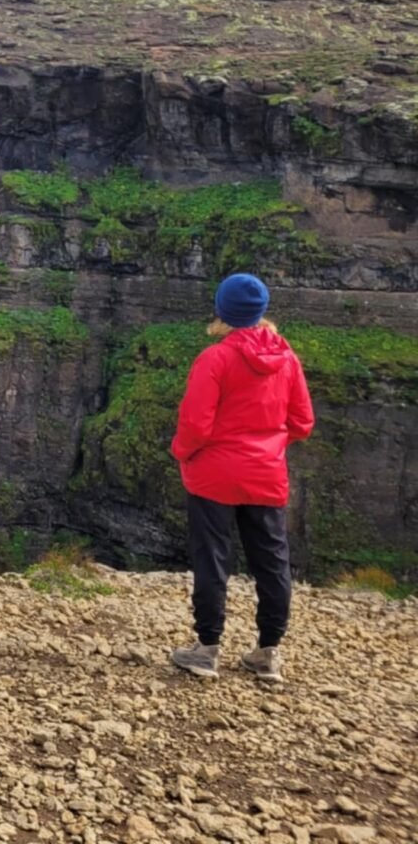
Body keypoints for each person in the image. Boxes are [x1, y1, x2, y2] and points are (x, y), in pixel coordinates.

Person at [169, 273, 313, 683]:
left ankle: (207, 649)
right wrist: (269, 443)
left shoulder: (215, 358)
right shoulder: (287, 359)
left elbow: (195, 424)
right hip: (266, 476)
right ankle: (268, 653)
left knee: (212, 558)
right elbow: (303, 422)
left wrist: (181, 452)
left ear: (222, 311)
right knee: (272, 561)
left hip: (214, 475)